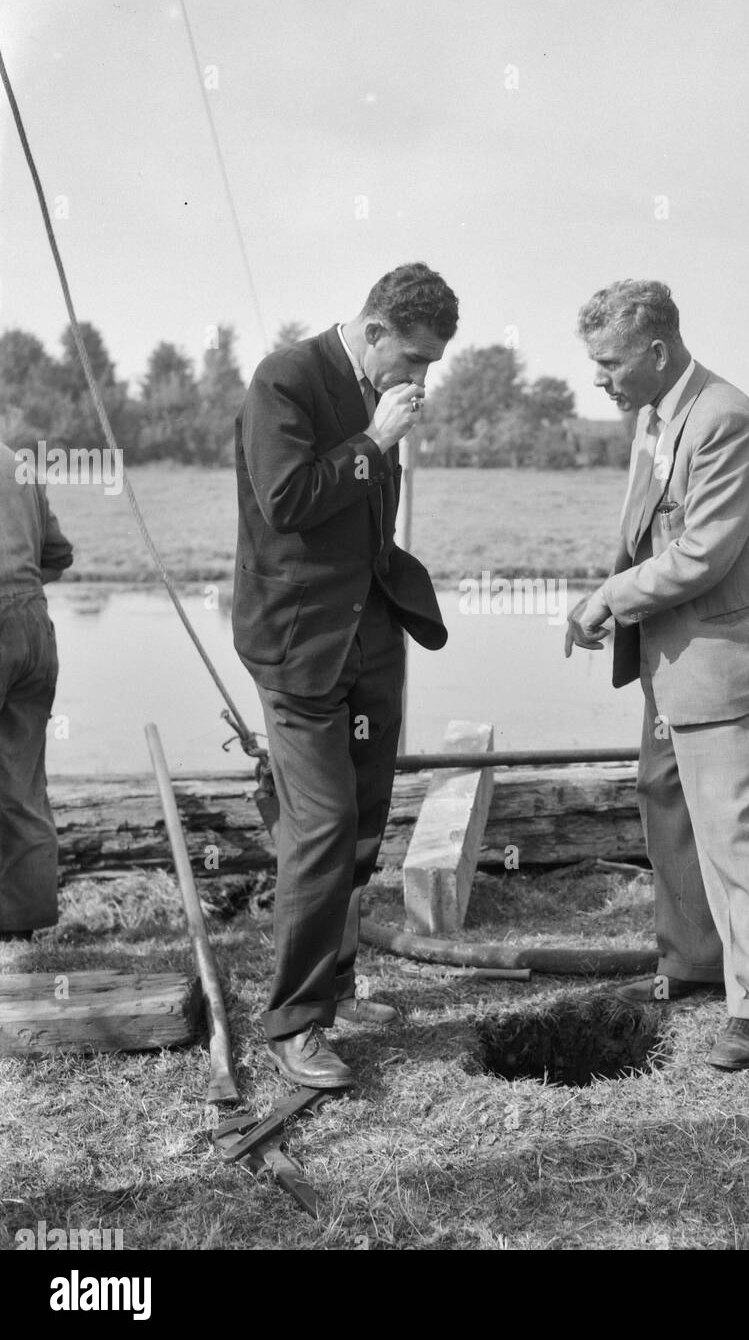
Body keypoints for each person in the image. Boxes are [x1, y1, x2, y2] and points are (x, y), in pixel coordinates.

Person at [233, 262, 458, 1089]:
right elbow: (288, 500)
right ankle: (294, 1022)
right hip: (297, 644)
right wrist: (372, 443)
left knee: (363, 824)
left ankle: (339, 985)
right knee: (322, 829)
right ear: (373, 333)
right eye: (413, 358)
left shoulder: (378, 393)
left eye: (431, 364)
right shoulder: (284, 380)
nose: (420, 377)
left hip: (368, 634)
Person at [567, 280, 749, 1070]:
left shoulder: (725, 420)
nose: (598, 377)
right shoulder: (655, 416)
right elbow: (644, 537)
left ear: (657, 351)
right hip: (669, 670)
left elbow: (701, 554)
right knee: (667, 807)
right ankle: (693, 966)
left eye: (609, 362)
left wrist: (609, 599)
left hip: (725, 671)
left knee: (739, 837)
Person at [0, 439, 74, 941]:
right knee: (21, 784)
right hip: (31, 622)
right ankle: (19, 929)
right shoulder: (13, 460)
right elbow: (57, 557)